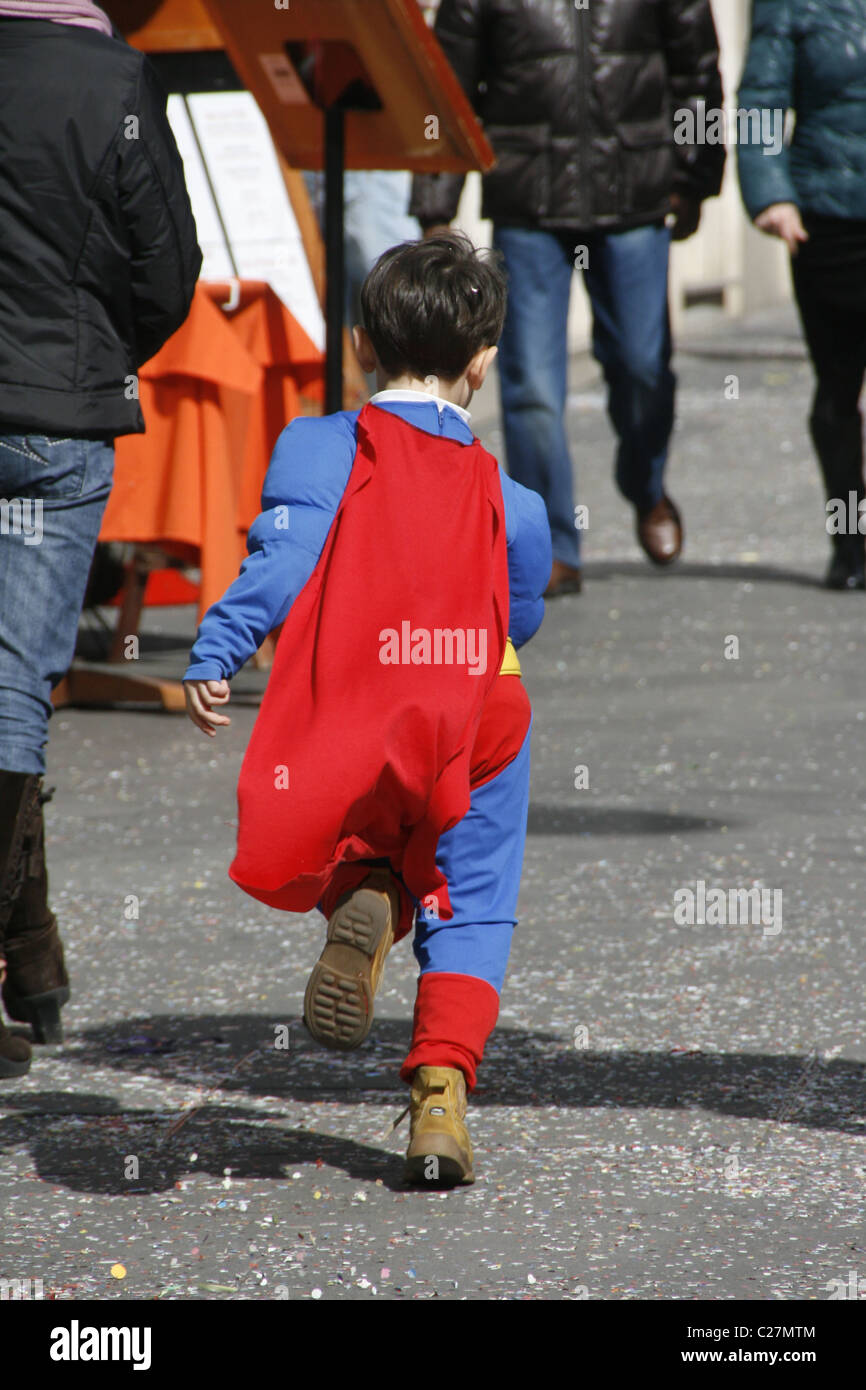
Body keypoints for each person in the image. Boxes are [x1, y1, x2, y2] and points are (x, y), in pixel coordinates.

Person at [183, 233, 551, 1185]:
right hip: (477, 711)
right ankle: (439, 1095)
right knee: (471, 904)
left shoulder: (317, 446)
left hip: (363, 703)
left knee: (361, 822)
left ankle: (370, 899)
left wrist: (219, 650)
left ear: (358, 347)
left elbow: (282, 562)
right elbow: (524, 612)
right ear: (483, 364)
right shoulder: (513, 499)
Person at [0, 0, 202, 1077]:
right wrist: (92, 353)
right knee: (13, 688)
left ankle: (29, 956)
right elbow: (167, 272)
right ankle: (21, 958)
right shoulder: (112, 81)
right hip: (56, 423)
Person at [411, 0, 726, 594]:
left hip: (633, 191)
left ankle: (645, 484)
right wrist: (435, 202)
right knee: (531, 385)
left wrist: (694, 175)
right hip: (528, 200)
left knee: (641, 367)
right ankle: (551, 543)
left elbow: (696, 71)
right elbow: (447, 82)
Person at [738, 0, 866, 592]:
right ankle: (852, 545)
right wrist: (771, 193)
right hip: (829, 218)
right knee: (839, 388)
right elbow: (762, 98)